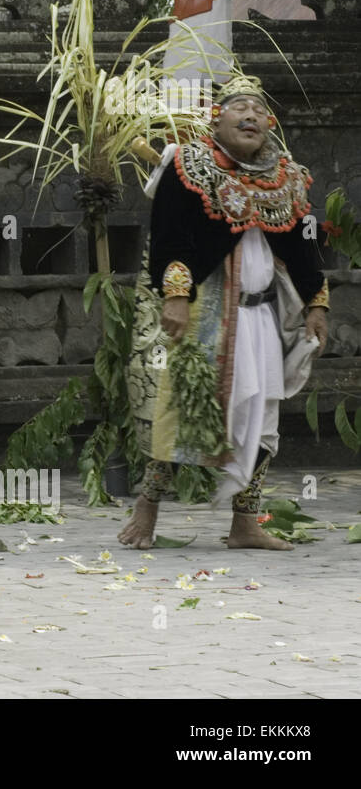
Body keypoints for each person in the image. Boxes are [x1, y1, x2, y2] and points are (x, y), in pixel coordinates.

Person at [121, 74, 328, 551]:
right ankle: (147, 509)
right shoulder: (189, 166)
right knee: (185, 411)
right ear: (217, 117)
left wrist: (316, 301)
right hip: (204, 312)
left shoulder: (287, 178)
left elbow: (302, 247)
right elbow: (169, 234)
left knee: (263, 416)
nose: (251, 115)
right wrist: (174, 294)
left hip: (263, 318)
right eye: (240, 107)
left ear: (270, 123)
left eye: (258, 109)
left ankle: (245, 523)